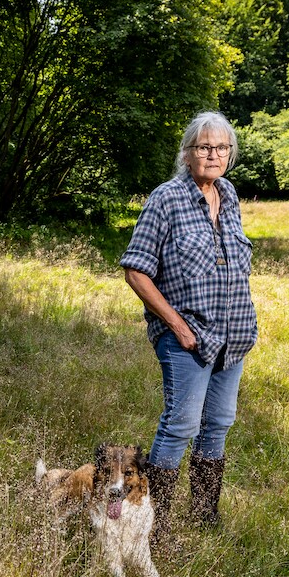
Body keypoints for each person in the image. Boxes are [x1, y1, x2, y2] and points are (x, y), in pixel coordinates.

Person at [119, 111, 257, 550]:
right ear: (187, 153)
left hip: (231, 337)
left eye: (221, 148)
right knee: (181, 424)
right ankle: (153, 528)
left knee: (217, 424)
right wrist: (176, 325)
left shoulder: (229, 195)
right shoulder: (167, 198)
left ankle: (204, 515)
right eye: (204, 147)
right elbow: (136, 270)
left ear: (229, 155)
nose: (213, 155)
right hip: (187, 336)